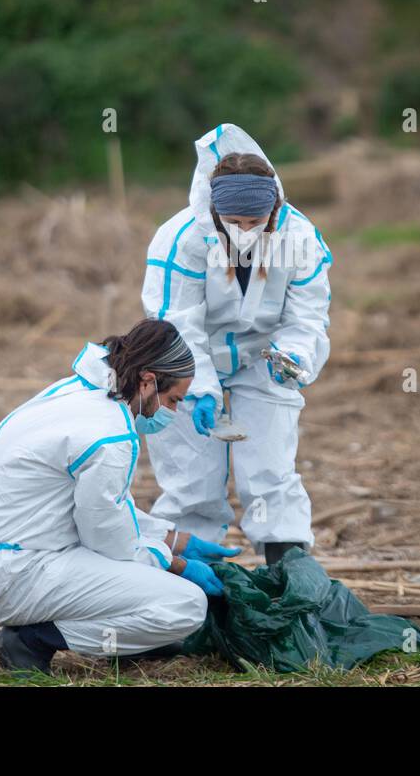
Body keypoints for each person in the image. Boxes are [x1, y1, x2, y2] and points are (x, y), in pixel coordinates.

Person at [0, 318, 240, 673]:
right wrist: (174, 564)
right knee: (186, 605)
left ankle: (132, 637)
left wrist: (175, 539)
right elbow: (108, 541)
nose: (174, 411)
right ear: (148, 381)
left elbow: (105, 506)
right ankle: (33, 640)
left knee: (153, 579)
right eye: (173, 399)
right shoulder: (110, 434)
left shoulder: (78, 393)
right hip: (14, 573)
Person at [141, 123, 333, 565]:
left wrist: (294, 356)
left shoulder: (298, 238)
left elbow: (307, 313)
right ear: (214, 211)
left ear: (273, 209)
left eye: (255, 222)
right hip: (188, 360)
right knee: (191, 482)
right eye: (233, 222)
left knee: (271, 471)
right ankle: (191, 580)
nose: (245, 230)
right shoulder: (182, 239)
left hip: (263, 357)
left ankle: (289, 574)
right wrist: (202, 387)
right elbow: (178, 324)